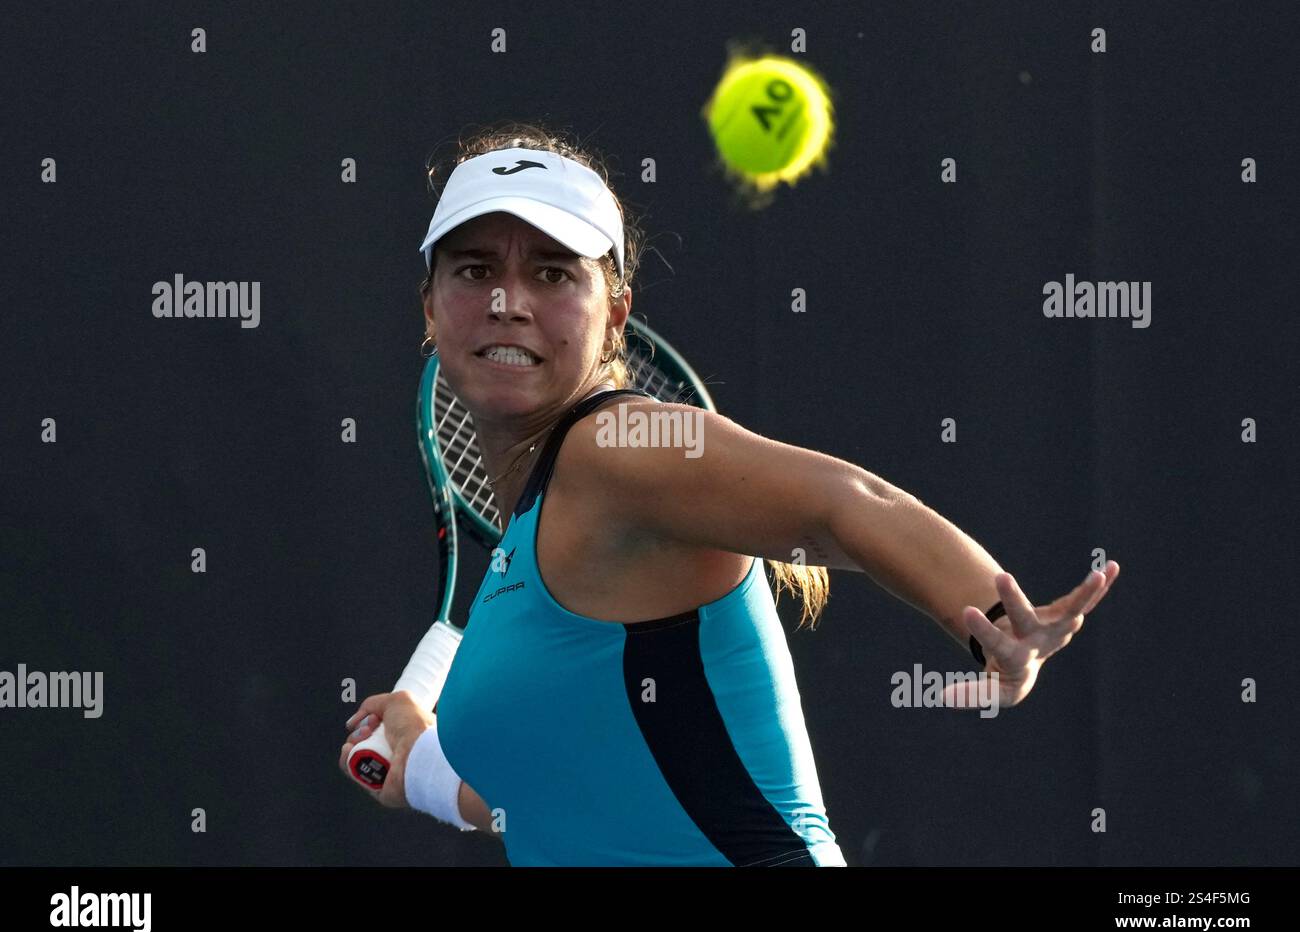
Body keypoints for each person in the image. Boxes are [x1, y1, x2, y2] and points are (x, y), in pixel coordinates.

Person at [339, 123, 1119, 866]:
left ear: (614, 316)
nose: (509, 300)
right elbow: (553, 798)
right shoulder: (537, 541)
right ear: (431, 305)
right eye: (475, 270)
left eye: (551, 272)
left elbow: (844, 499)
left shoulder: (613, 449)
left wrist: (989, 615)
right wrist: (415, 767)